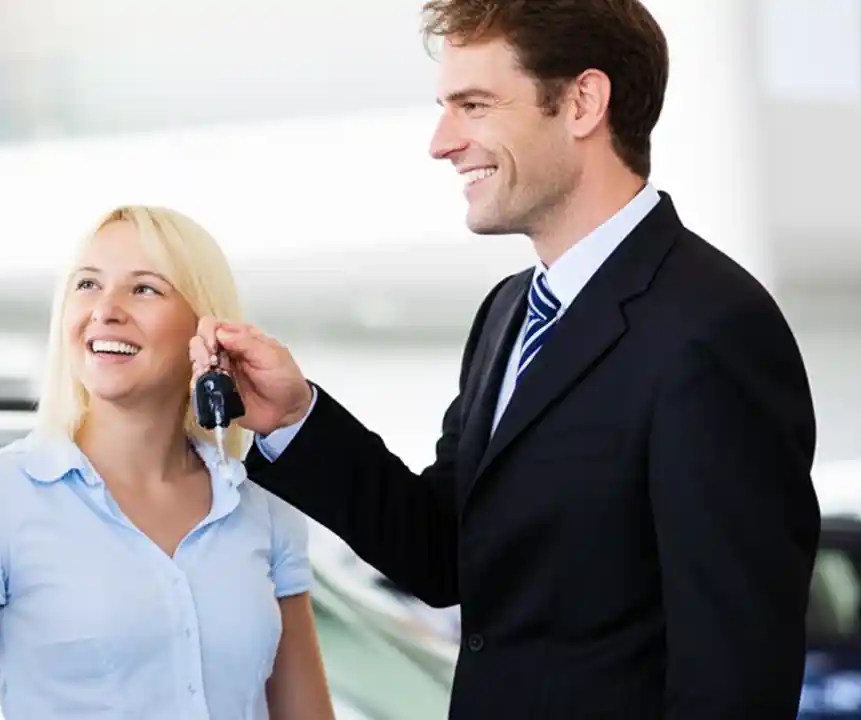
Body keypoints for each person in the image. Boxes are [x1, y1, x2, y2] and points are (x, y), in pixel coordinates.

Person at [191, 1, 821, 718]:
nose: (441, 141)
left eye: (475, 104)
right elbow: (446, 552)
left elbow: (736, 677)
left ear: (583, 101)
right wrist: (297, 417)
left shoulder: (713, 329)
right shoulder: (509, 312)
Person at [0, 205, 335, 720]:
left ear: (207, 330)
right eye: (88, 284)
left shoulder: (264, 508)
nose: (106, 310)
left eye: (144, 289)